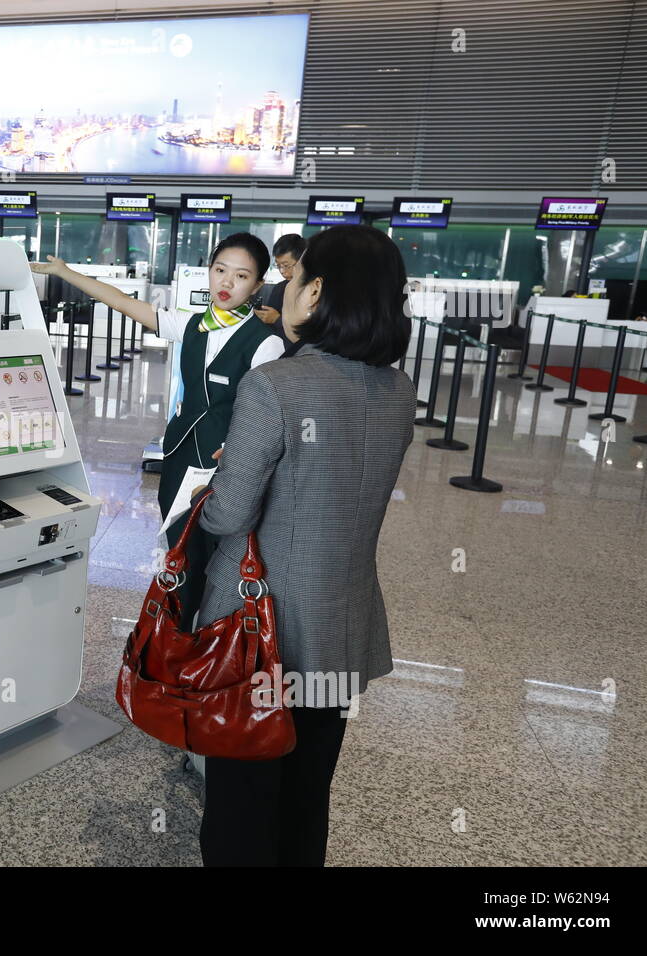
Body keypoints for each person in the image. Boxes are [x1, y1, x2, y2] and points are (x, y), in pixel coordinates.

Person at [193, 224, 416, 867]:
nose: (282, 286)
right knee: (306, 795)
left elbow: (231, 514)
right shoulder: (399, 392)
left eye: (293, 277)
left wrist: (225, 480)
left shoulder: (277, 387)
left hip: (264, 634)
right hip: (343, 626)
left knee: (242, 801)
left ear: (315, 289)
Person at [31, 233, 285, 624]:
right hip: (181, 454)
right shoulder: (192, 324)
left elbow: (266, 417)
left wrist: (240, 453)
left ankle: (208, 639)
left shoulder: (265, 343)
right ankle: (178, 633)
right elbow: (121, 301)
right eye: (220, 270)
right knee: (179, 548)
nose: (226, 283)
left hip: (227, 466)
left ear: (257, 284)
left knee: (218, 554)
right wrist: (67, 273)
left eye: (240, 276)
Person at [256, 233, 306, 338]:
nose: (282, 271)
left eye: (286, 265)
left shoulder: (315, 290)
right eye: (278, 266)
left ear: (302, 261)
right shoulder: (279, 288)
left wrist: (278, 320)